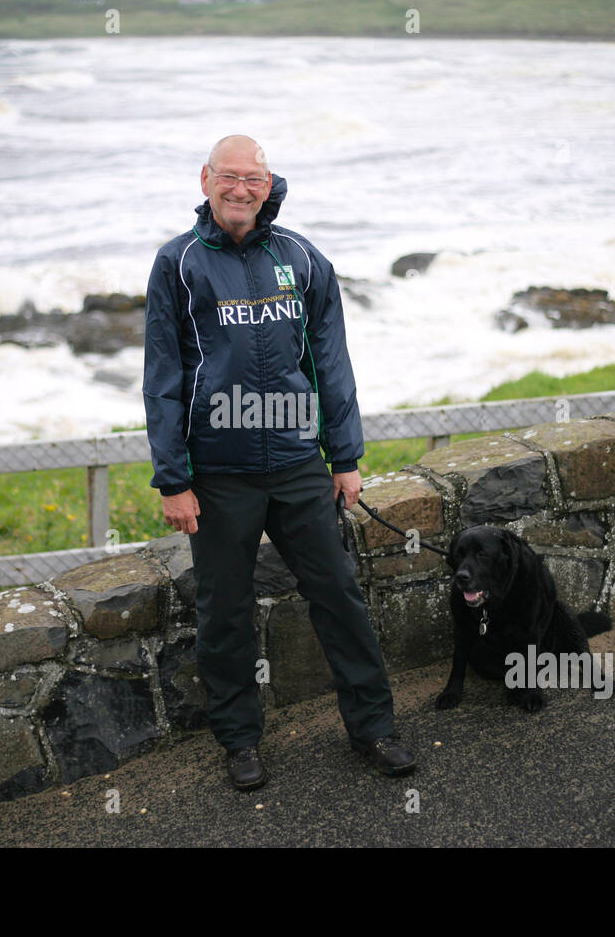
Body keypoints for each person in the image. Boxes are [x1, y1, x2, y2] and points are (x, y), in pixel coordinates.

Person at [142, 134, 415, 791]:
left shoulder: (300, 256)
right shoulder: (177, 263)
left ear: (269, 185)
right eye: (228, 177)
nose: (240, 189)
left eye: (252, 179)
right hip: (220, 472)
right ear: (206, 179)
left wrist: (343, 456)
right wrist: (173, 477)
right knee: (225, 611)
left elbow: (330, 360)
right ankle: (239, 741)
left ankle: (374, 728)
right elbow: (164, 375)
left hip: (296, 463)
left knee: (339, 595)